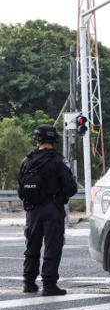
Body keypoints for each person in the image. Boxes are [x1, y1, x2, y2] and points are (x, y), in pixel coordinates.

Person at [17, 124, 78, 296]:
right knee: (52, 246)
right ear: (54, 139)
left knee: (32, 245)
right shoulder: (59, 160)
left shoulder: (26, 160)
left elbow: (20, 190)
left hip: (32, 210)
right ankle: (49, 284)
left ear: (37, 140)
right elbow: (70, 187)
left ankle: (28, 282)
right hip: (53, 208)